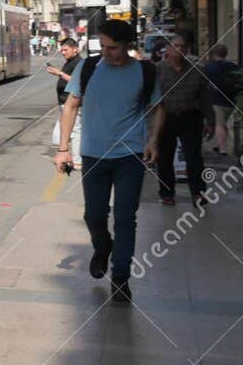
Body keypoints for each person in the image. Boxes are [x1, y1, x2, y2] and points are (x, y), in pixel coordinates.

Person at [56, 19, 160, 303]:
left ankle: (120, 277)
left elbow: (157, 108)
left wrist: (152, 141)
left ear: (127, 46)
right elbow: (71, 105)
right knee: (94, 216)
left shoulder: (145, 71)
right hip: (93, 155)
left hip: (130, 156)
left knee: (126, 218)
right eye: (102, 46)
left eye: (112, 48)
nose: (106, 52)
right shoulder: (89, 68)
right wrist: (63, 148)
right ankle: (102, 248)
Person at [152, 30, 212, 207]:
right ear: (168, 50)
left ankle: (198, 194)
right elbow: (151, 100)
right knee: (164, 158)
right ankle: (166, 193)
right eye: (175, 46)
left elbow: (205, 98)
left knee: (194, 157)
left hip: (190, 117)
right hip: (166, 118)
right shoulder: (158, 70)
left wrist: (210, 120)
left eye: (182, 47)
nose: (179, 50)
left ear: (187, 50)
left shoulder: (197, 71)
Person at [46, 37, 82, 157]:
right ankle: (69, 154)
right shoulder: (70, 61)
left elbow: (77, 81)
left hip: (72, 103)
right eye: (61, 50)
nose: (63, 52)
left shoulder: (78, 62)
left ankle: (76, 159)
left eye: (65, 50)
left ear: (75, 49)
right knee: (63, 132)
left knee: (76, 130)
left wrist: (59, 73)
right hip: (65, 103)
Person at [204, 44, 238, 156]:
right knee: (223, 124)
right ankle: (220, 145)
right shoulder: (234, 66)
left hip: (216, 99)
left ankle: (222, 148)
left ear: (213, 54)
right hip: (231, 99)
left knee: (220, 124)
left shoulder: (208, 67)